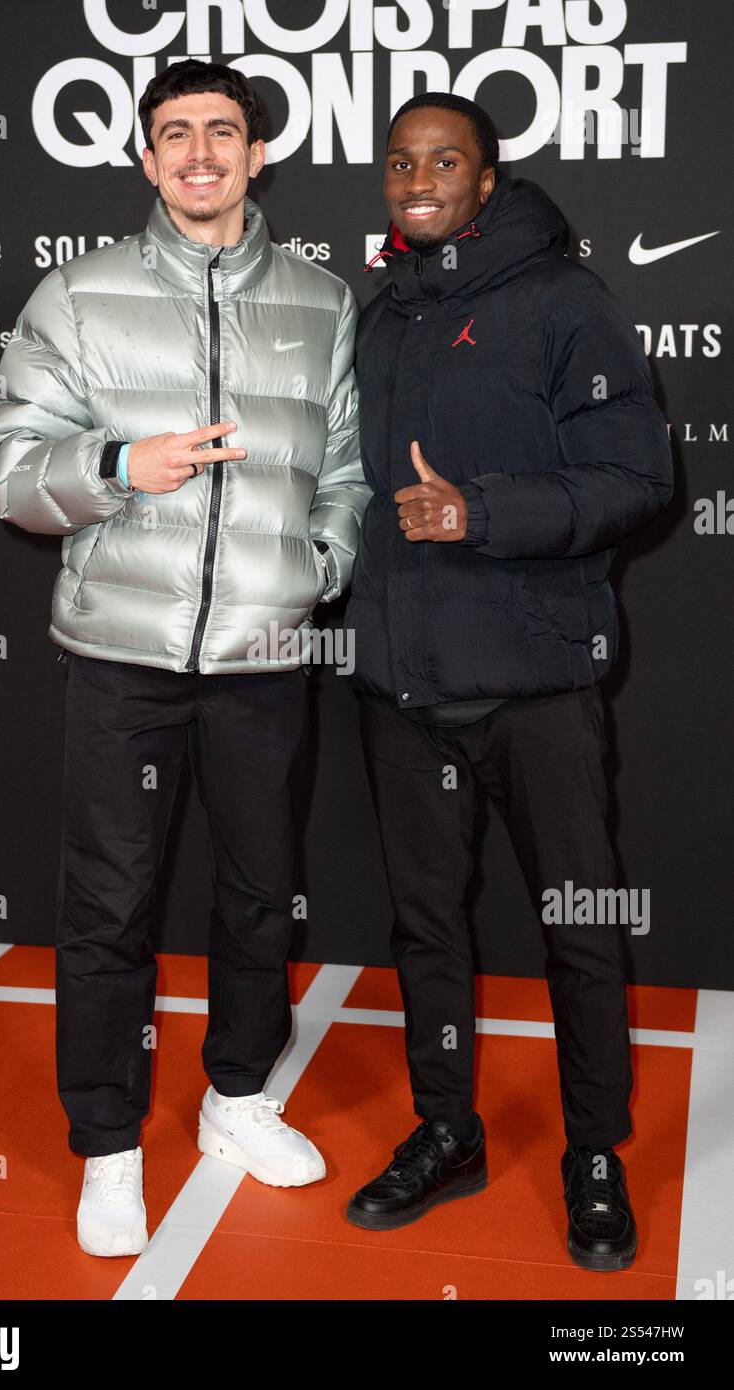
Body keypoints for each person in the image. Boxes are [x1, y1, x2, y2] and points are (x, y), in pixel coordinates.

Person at [0, 59, 369, 1258]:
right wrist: (114, 469)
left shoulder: (320, 300)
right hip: (122, 655)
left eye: (221, 132)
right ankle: (106, 1142)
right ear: (146, 159)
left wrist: (314, 566)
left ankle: (235, 1097)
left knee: (260, 891)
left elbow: (347, 472)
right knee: (108, 906)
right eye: (175, 135)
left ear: (257, 154)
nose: (199, 153)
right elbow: (9, 471)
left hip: (266, 649)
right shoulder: (74, 296)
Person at [344, 92, 672, 1272]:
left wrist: (479, 513)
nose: (417, 179)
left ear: (485, 181)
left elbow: (638, 478)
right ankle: (447, 1128)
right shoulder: (382, 314)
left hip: (535, 690)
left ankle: (594, 1151)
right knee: (426, 929)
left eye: (443, 161)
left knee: (577, 931)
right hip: (404, 691)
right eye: (400, 161)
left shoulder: (563, 300)